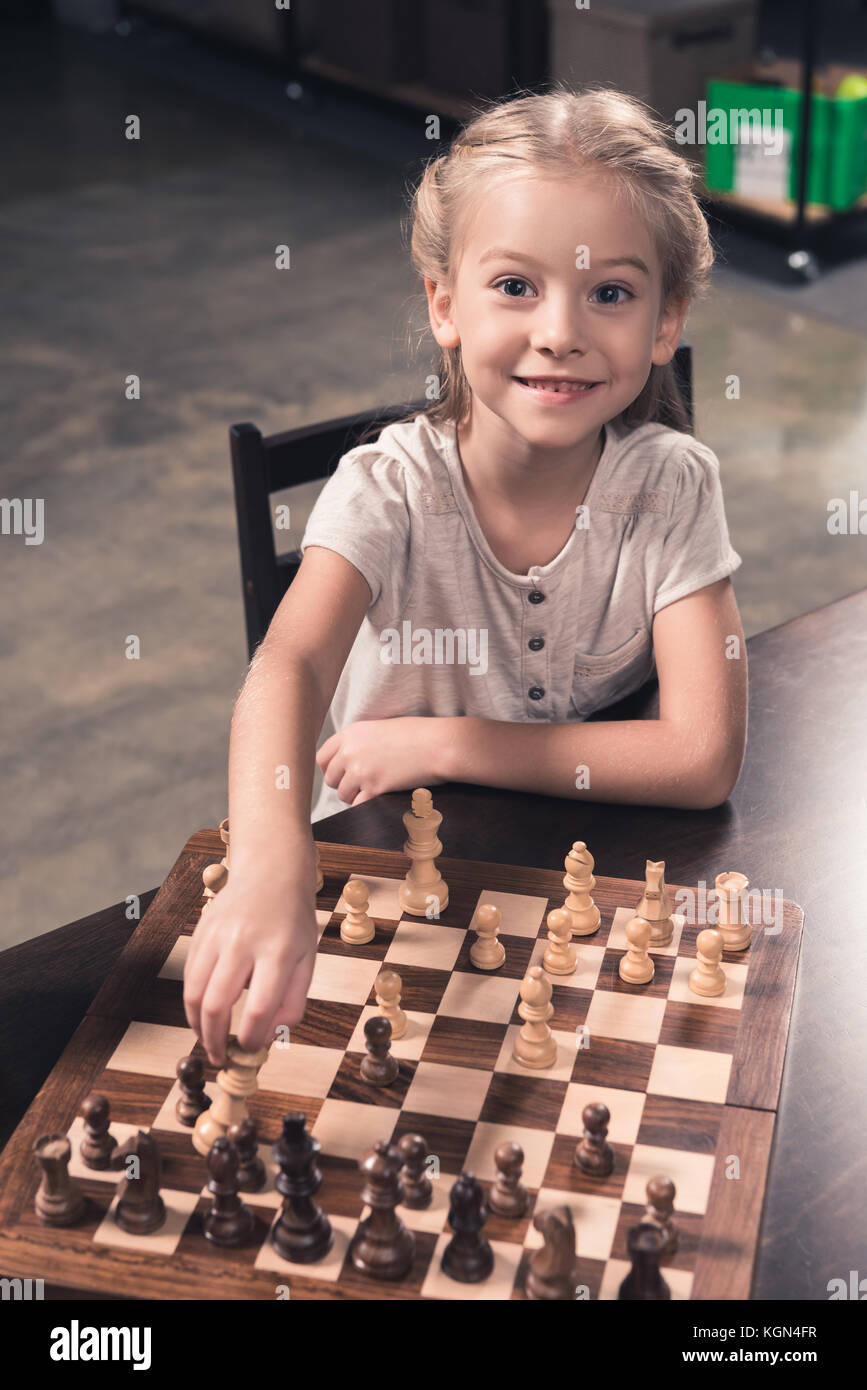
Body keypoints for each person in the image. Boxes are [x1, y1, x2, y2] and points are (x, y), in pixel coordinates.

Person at [184, 87, 747, 1066]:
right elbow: (288, 668)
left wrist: (445, 740)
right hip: (390, 887)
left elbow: (701, 758)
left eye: (611, 292)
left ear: (667, 321)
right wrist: (272, 855)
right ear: (444, 302)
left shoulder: (672, 485)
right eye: (516, 287)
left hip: (576, 893)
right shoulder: (390, 489)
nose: (561, 330)